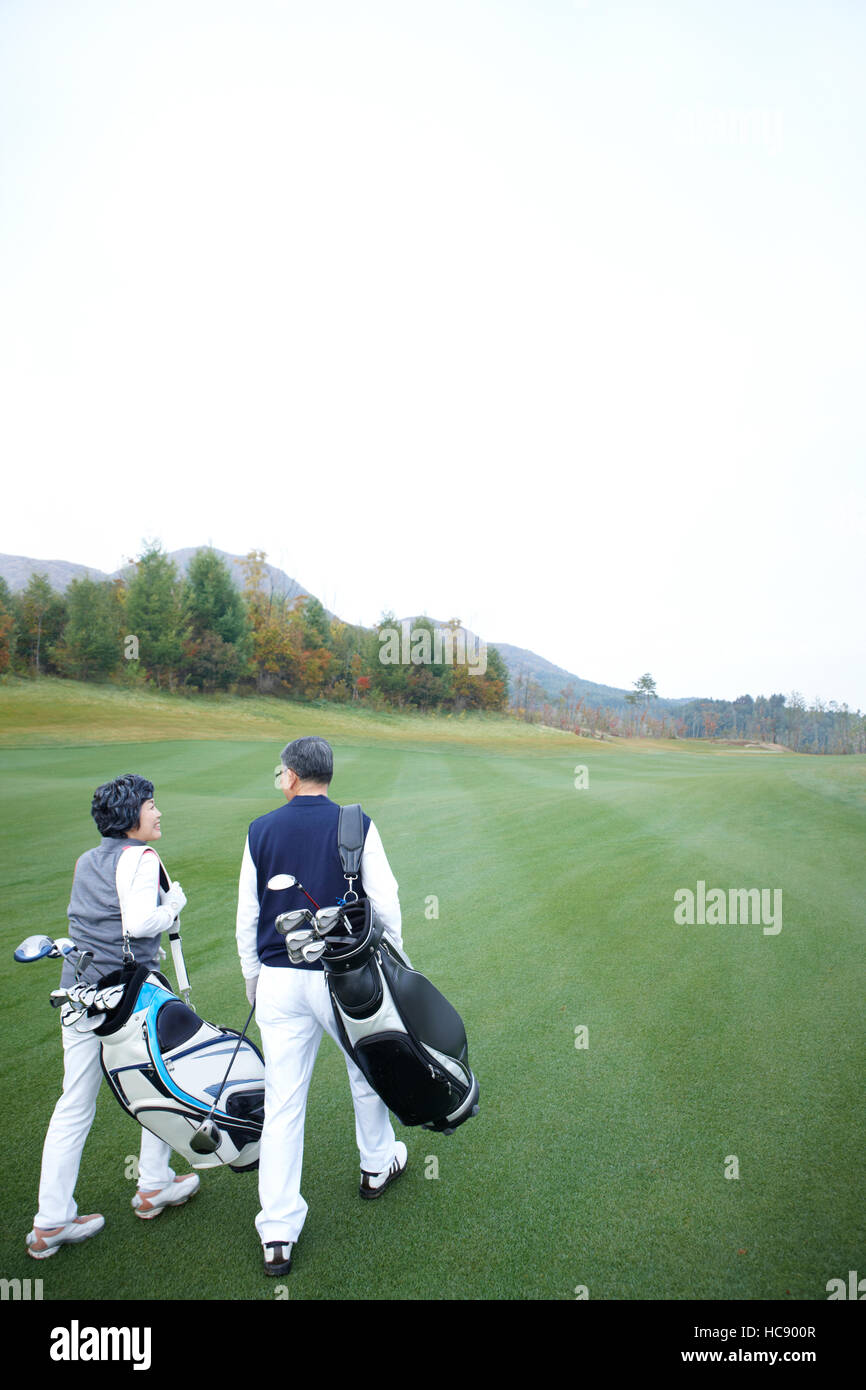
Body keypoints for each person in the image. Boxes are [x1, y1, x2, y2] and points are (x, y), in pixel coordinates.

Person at [236, 736, 407, 1276]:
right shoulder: (356, 822)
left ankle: (278, 1230)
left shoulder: (261, 829)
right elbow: (386, 900)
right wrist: (396, 965)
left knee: (284, 1099)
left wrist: (251, 977)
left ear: (291, 775)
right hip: (346, 976)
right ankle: (377, 1165)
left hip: (279, 982)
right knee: (368, 1070)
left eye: (278, 772)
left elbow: (248, 912)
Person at [26, 774, 201, 1259]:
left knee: (74, 1104)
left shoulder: (88, 859)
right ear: (130, 817)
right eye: (150, 805)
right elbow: (143, 923)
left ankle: (51, 1222)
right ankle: (151, 1185)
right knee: (155, 1086)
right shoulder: (142, 857)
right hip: (127, 999)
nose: (158, 812)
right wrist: (175, 907)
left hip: (78, 993)